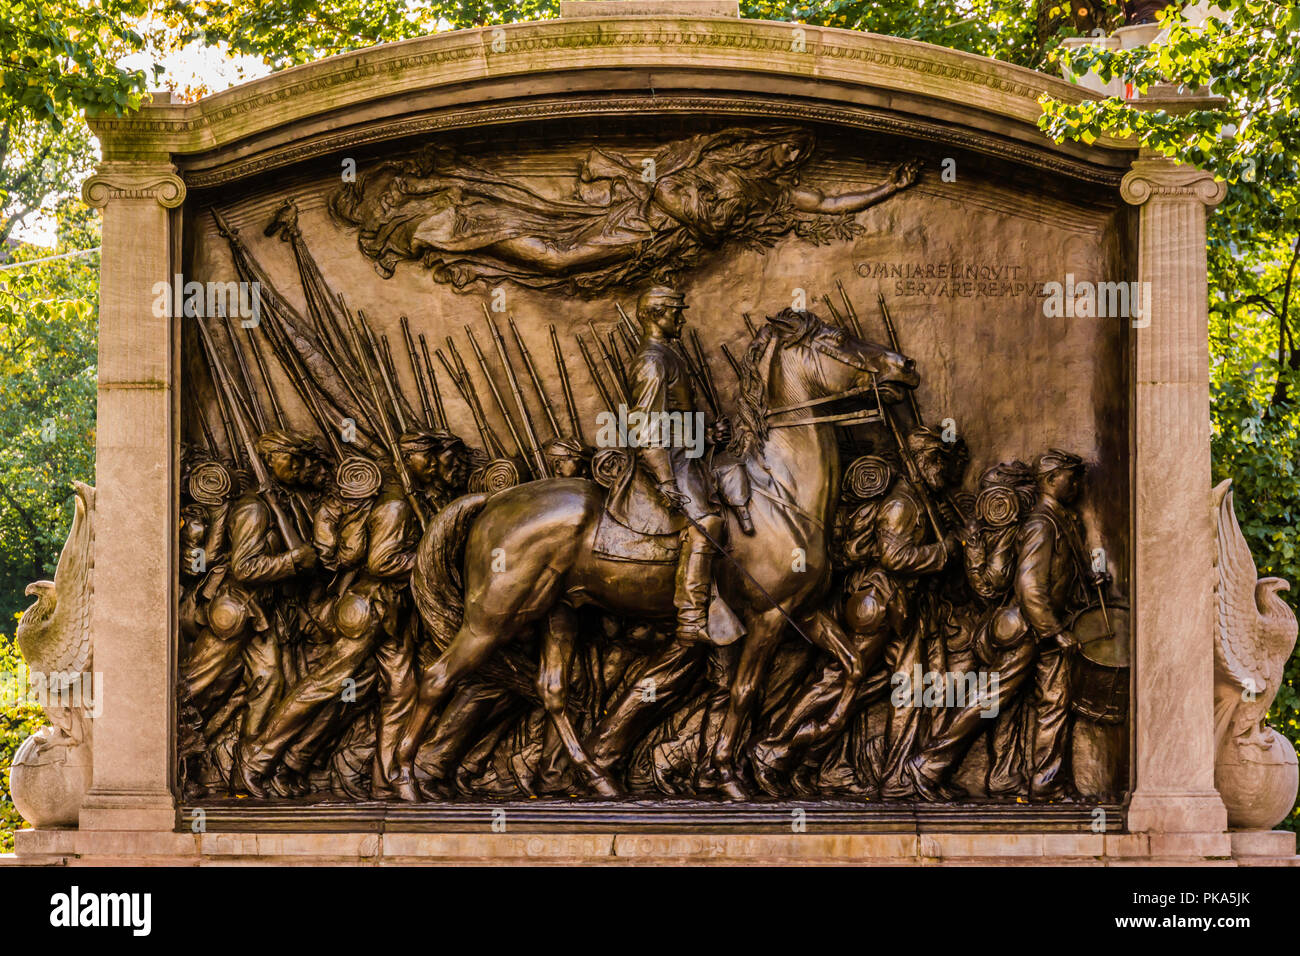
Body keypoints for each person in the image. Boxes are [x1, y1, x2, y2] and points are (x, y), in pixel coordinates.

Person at [606, 286, 730, 644]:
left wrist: (707, 434)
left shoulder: (667, 355)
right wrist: (665, 480)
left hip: (686, 454)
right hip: (668, 462)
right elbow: (646, 426)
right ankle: (691, 618)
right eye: (676, 312)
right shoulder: (652, 361)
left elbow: (676, 417)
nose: (682, 318)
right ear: (657, 314)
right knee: (706, 523)